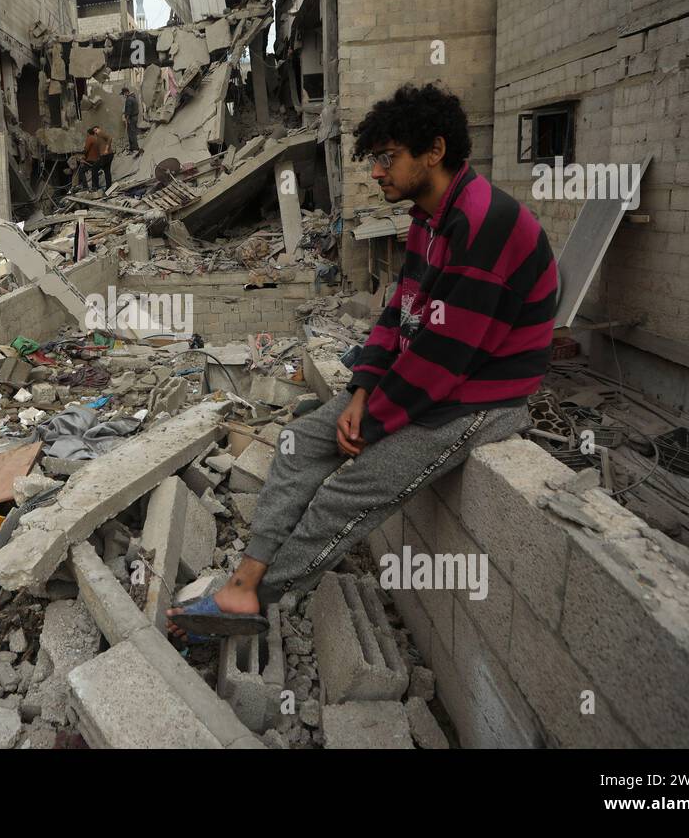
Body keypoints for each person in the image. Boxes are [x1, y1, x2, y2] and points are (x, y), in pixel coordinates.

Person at [167, 82, 557, 639]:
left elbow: (448, 355)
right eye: (376, 158)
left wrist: (374, 421)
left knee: (348, 492)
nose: (376, 172)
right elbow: (402, 312)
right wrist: (361, 392)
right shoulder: (427, 219)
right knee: (298, 443)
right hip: (425, 383)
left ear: (434, 151)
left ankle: (255, 599)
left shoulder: (484, 224)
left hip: (481, 395)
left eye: (387, 157)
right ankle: (245, 577)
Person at [122, 86, 141, 154]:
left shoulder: (129, 99)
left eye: (123, 94)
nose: (123, 96)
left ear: (126, 92)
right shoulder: (133, 97)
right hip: (134, 117)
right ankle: (132, 148)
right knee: (131, 132)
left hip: (131, 118)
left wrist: (127, 118)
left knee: (131, 133)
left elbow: (129, 110)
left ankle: (135, 148)